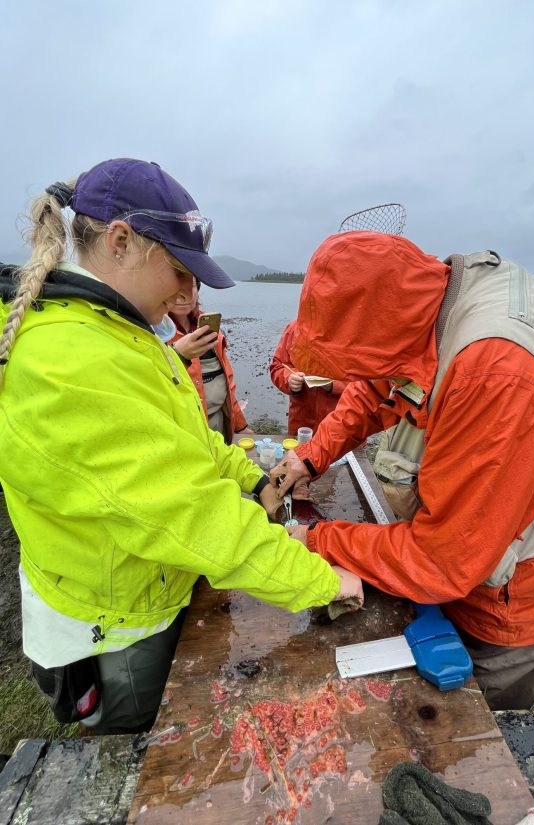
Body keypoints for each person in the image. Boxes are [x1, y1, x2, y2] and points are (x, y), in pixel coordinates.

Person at [0, 159, 363, 732]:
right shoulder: (70, 361)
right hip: (116, 628)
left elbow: (191, 445)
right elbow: (186, 511)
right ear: (120, 242)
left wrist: (255, 480)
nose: (188, 293)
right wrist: (319, 578)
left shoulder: (122, 334)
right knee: (145, 747)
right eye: (179, 272)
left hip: (148, 587)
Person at [270, 231, 534, 711]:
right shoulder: (424, 306)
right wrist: (311, 455)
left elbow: (443, 562)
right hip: (478, 544)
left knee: (468, 724)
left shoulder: (495, 372)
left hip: (530, 586)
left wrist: (314, 538)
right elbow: (375, 388)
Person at [167, 278, 251, 444]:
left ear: (197, 291)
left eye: (190, 286)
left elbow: (227, 384)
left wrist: (240, 426)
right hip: (184, 435)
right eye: (174, 285)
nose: (183, 294)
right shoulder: (152, 334)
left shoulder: (214, 333)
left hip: (218, 427)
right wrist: (177, 354)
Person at [270, 320, 347, 437]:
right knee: (300, 452)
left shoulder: (353, 332)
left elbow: (368, 380)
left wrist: (333, 385)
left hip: (343, 426)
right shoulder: (295, 328)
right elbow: (278, 365)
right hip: (302, 425)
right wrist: (289, 378)